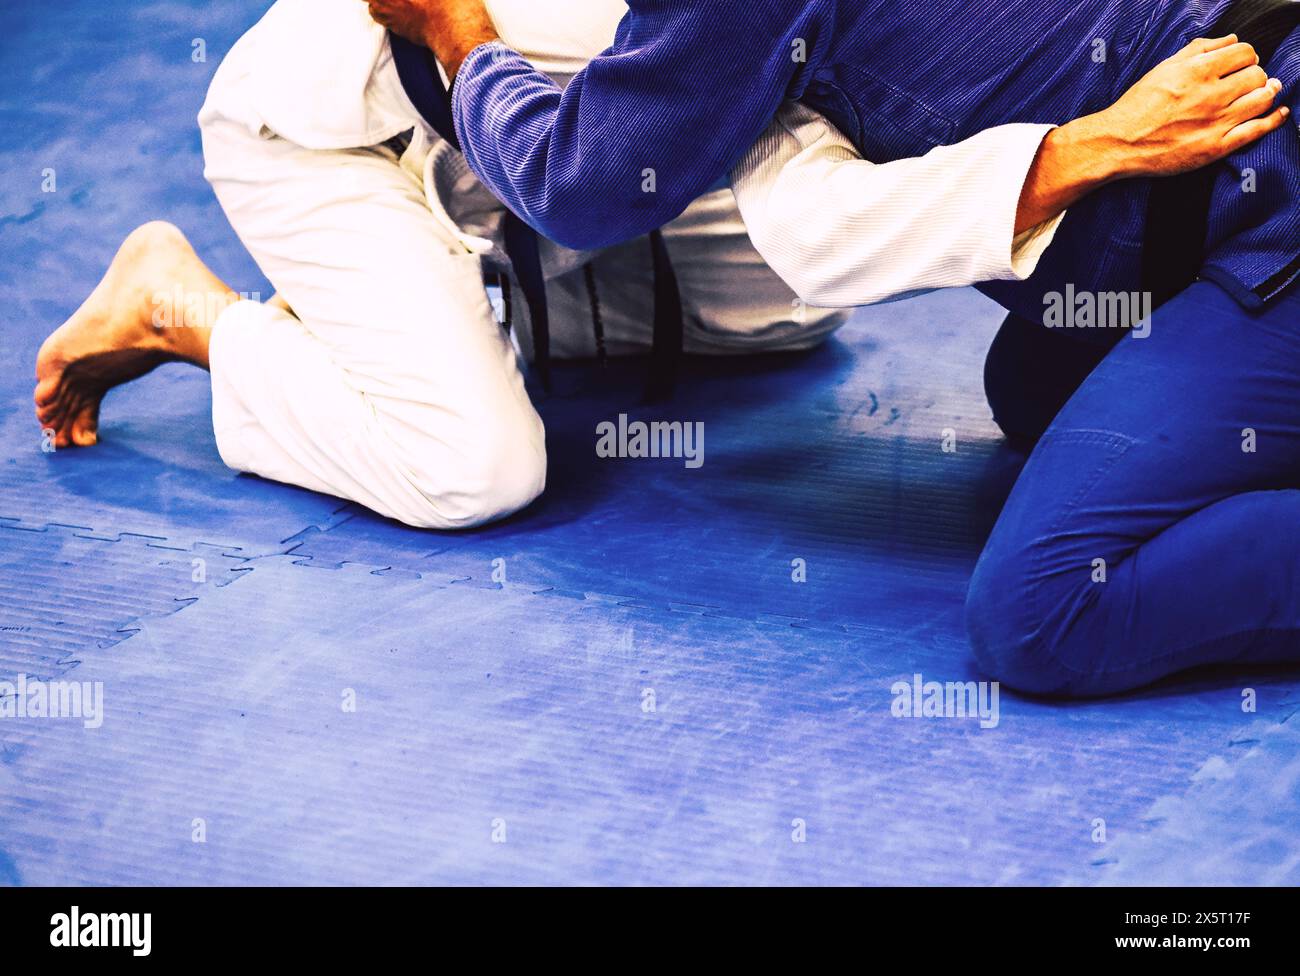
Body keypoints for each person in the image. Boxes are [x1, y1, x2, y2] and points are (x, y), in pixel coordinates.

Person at [34, 0, 1244, 531]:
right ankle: (190, 309)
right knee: (475, 468)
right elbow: (592, 180)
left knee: (786, 325)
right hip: (330, 133)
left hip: (577, 141)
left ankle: (419, 300)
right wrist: (1084, 152)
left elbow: (786, 194)